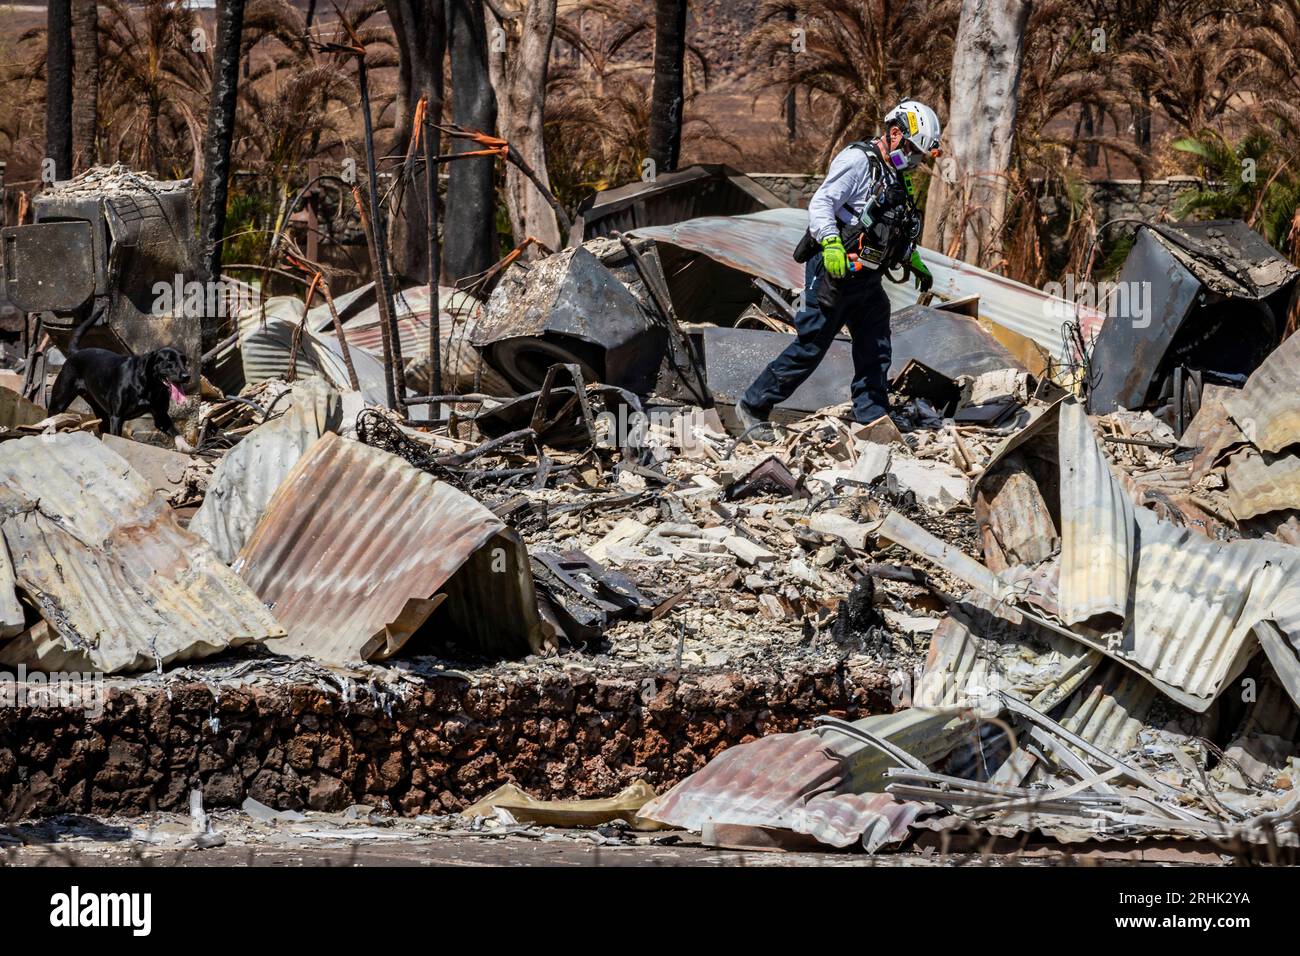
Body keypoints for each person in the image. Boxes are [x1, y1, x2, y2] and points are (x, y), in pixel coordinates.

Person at [737, 100, 941, 437]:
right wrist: (830, 242)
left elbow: (894, 225)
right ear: (893, 134)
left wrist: (910, 257)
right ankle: (754, 404)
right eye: (912, 149)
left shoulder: (896, 176)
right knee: (812, 345)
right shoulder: (858, 162)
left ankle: (872, 416)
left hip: (867, 278)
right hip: (834, 268)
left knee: (875, 345)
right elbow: (821, 203)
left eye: (920, 154)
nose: (916, 160)